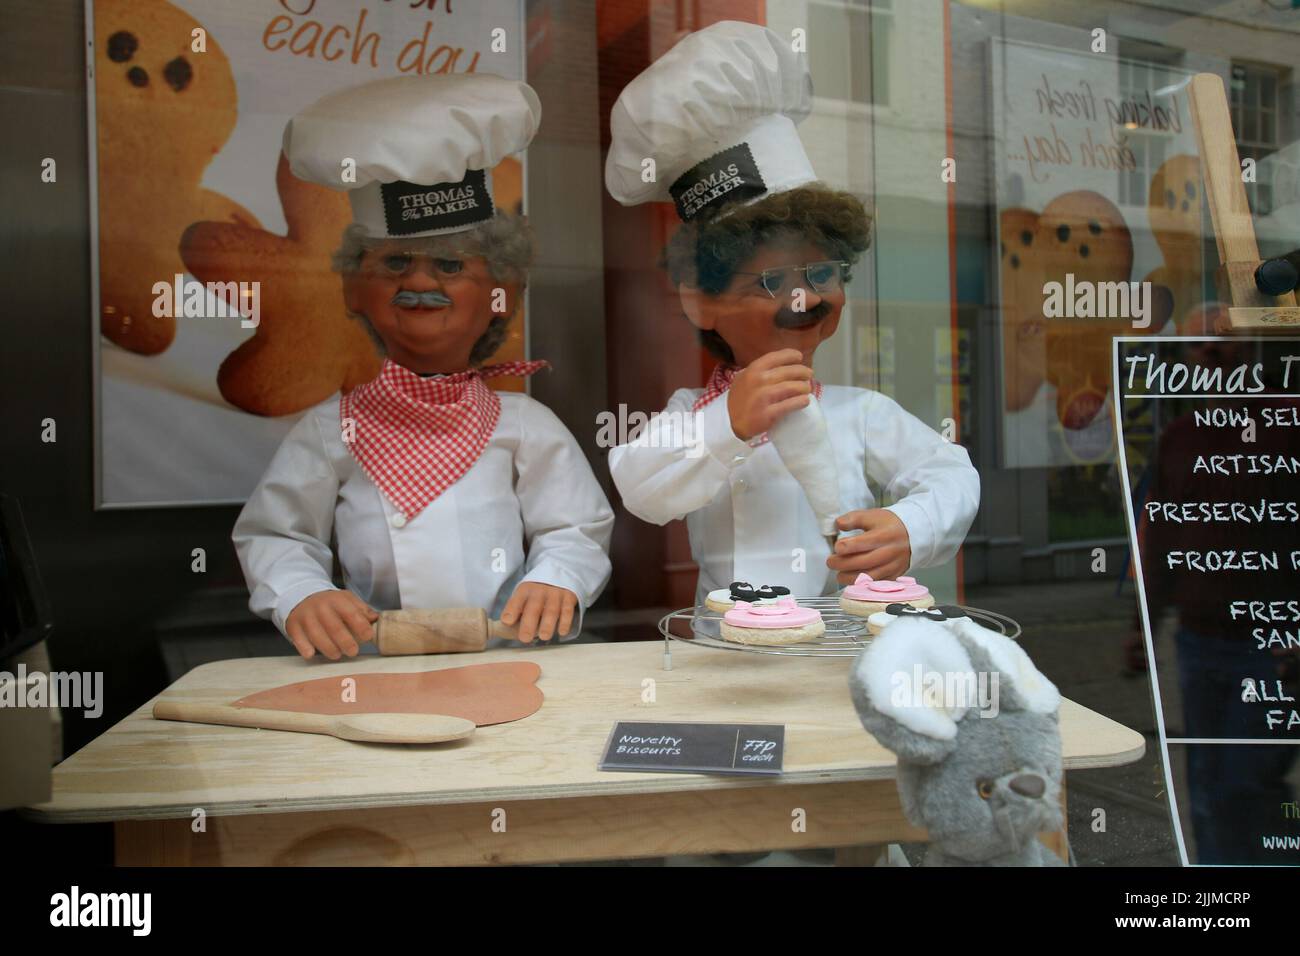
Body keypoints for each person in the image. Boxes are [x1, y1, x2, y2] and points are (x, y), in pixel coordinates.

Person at [234, 74, 613, 660]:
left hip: (511, 655)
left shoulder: (523, 424)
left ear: (501, 292)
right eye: (395, 264)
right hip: (373, 663)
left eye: (449, 266)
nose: (418, 281)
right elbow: (277, 532)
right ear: (354, 291)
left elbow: (573, 527)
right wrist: (301, 593)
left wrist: (557, 579)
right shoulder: (330, 429)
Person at [605, 22, 979, 603]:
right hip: (724, 659)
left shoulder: (859, 413)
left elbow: (950, 472)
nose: (804, 298)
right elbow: (640, 486)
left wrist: (912, 526)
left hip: (842, 649)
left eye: (823, 273)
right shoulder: (693, 414)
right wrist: (727, 421)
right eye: (774, 280)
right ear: (701, 302)